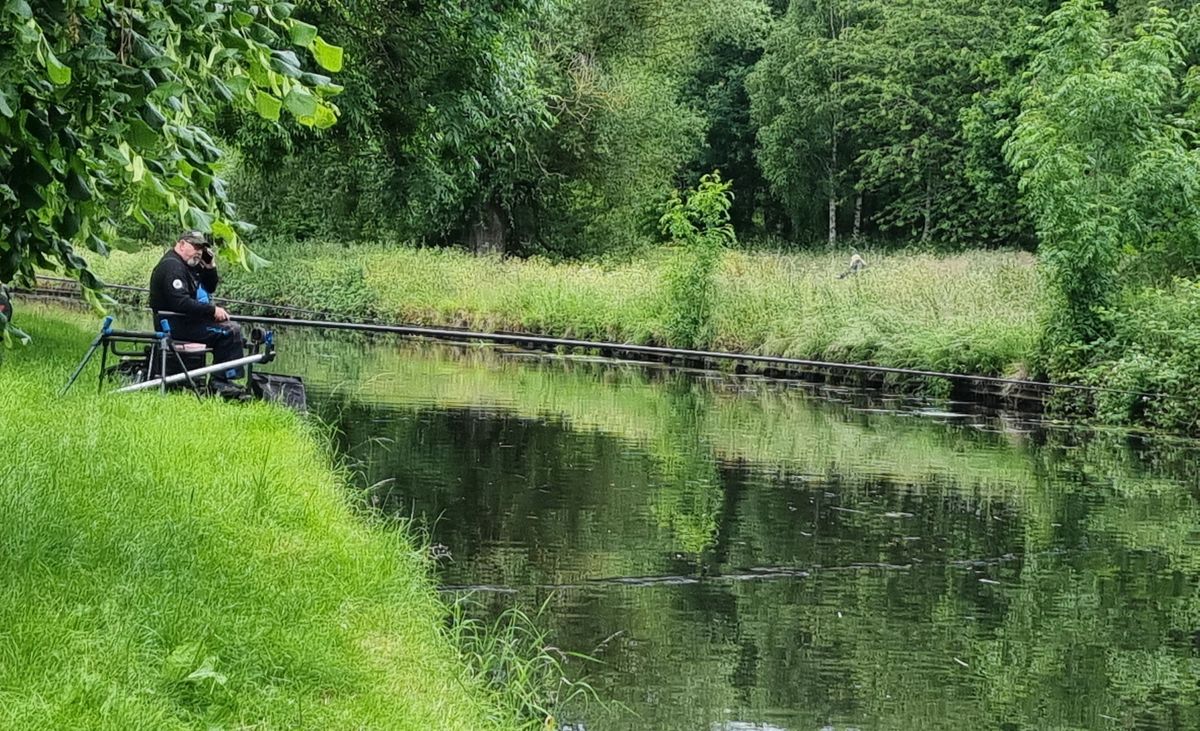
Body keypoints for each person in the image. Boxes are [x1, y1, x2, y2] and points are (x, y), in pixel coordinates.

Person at [148, 230, 247, 399]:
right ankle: (220, 382)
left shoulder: (187, 265)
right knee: (230, 331)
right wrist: (212, 310)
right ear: (181, 244)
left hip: (185, 321)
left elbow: (211, 287)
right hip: (173, 324)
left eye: (201, 248)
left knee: (232, 331)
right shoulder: (172, 266)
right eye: (195, 246)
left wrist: (210, 267)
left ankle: (223, 380)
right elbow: (180, 303)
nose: (199, 252)